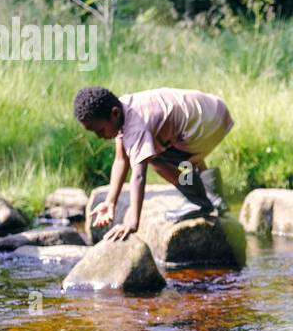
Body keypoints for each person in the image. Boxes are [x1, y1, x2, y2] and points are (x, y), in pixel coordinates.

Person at [74, 86, 234, 237]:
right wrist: (110, 202)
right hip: (212, 109)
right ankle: (213, 195)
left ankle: (199, 202)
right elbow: (121, 160)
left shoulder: (136, 128)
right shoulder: (124, 107)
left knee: (157, 159)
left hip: (209, 123)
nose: (99, 136)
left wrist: (132, 222)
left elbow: (138, 176)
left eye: (100, 130)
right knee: (177, 151)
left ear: (114, 114)